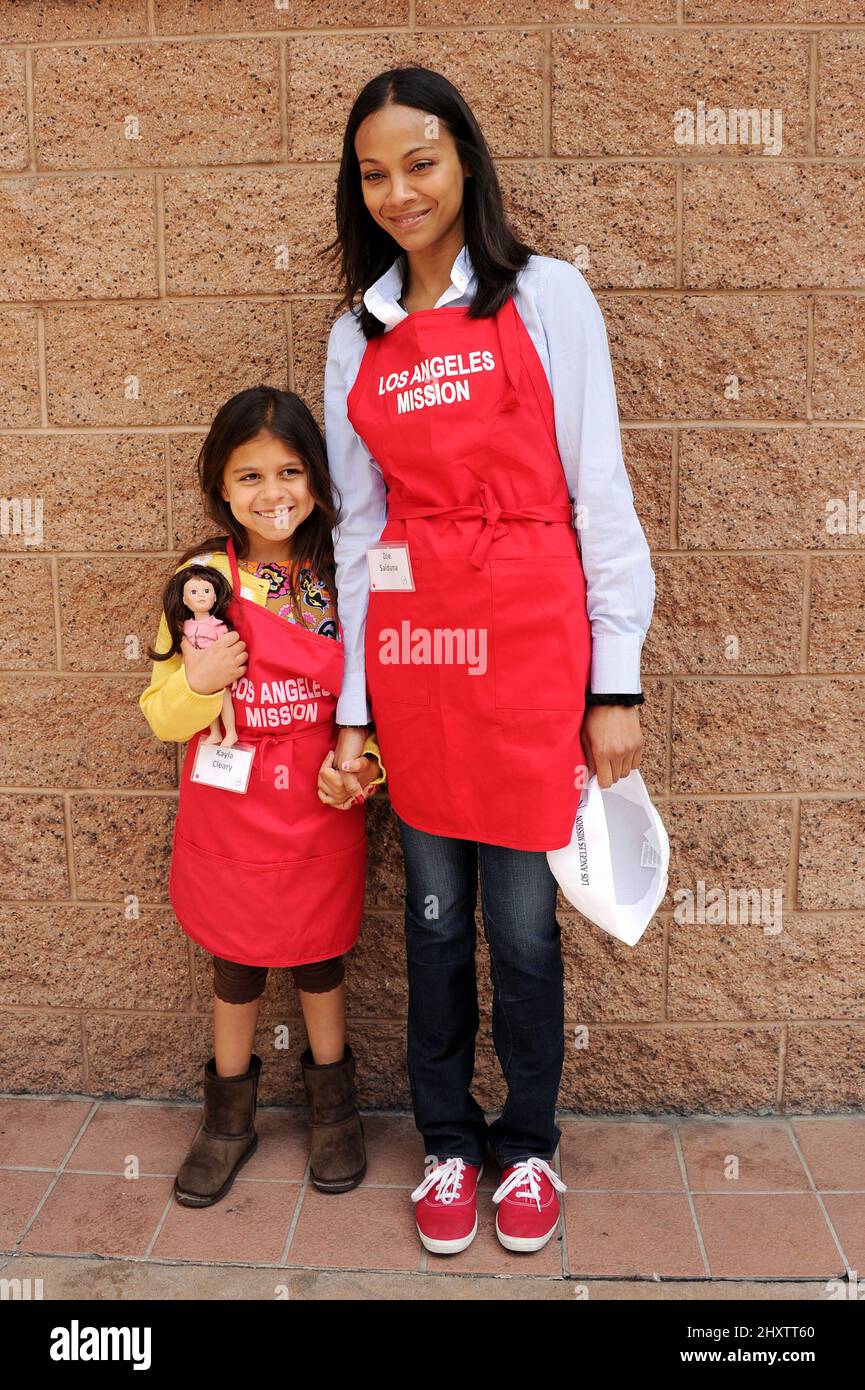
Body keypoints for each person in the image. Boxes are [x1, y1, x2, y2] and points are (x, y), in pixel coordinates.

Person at [322, 67, 655, 1255]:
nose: (399, 190)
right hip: (414, 661)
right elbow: (360, 537)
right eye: (374, 172)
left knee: (519, 924)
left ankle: (527, 1146)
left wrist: (613, 680)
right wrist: (355, 712)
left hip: (528, 654)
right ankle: (447, 1144)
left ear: (464, 159)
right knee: (428, 920)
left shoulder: (546, 297)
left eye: (420, 161)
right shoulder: (354, 331)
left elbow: (598, 493)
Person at [139, 386, 386, 1206]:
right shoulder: (202, 580)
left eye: (289, 472)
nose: (271, 493)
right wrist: (201, 684)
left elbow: (378, 696)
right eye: (249, 476)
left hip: (319, 806)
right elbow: (162, 713)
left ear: (317, 477)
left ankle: (333, 1109)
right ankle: (227, 1120)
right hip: (231, 812)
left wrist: (365, 766)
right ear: (219, 487)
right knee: (235, 958)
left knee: (321, 954)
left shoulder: (341, 573)